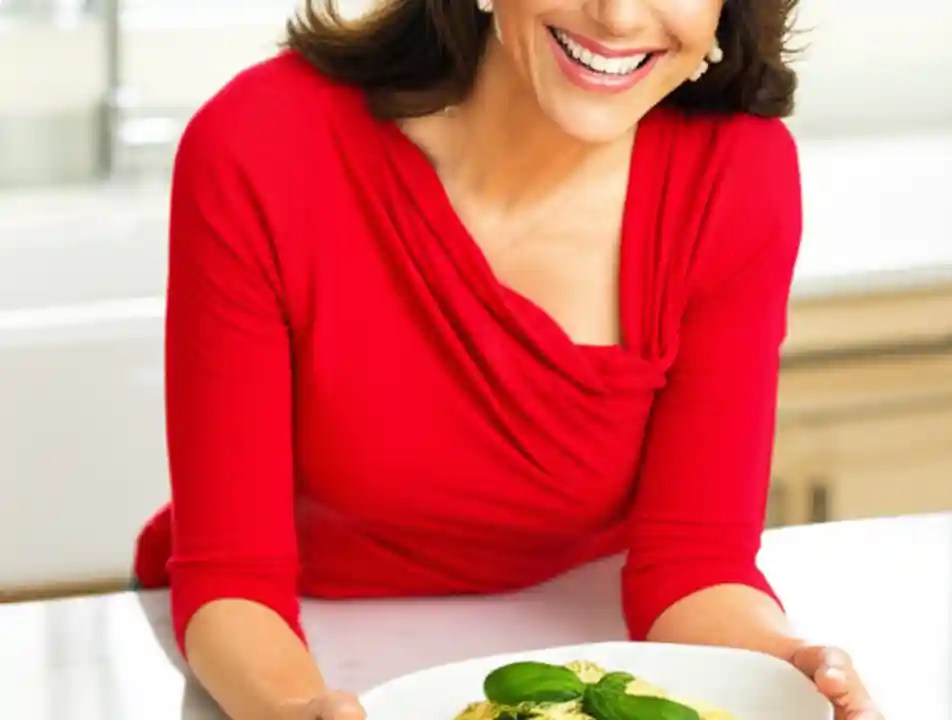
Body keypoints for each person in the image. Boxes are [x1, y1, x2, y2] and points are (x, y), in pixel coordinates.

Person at [132, 0, 880, 718]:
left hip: (571, 640)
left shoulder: (737, 171)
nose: (618, 15)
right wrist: (305, 711)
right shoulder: (261, 144)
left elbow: (696, 563)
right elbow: (234, 579)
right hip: (287, 639)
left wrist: (787, 669)